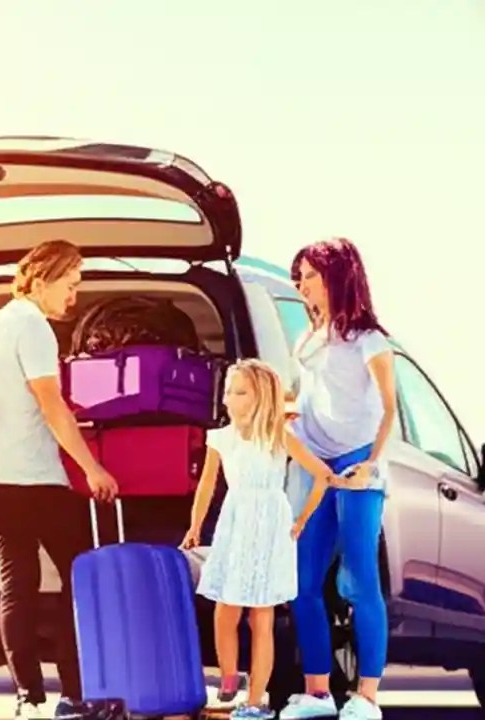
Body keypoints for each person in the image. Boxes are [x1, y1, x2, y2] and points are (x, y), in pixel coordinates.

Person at [0, 239, 119, 720]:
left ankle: (29, 698)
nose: (73, 298)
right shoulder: (34, 328)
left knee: (19, 584)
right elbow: (50, 404)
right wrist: (92, 467)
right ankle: (76, 695)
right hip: (34, 475)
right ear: (44, 279)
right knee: (80, 577)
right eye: (70, 286)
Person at [278, 238, 398, 720]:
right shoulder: (306, 340)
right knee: (304, 582)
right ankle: (317, 693)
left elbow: (390, 408)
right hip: (316, 467)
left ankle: (367, 697)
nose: (301, 284)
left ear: (336, 276)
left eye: (308, 274)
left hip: (356, 466)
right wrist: (287, 415)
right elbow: (302, 394)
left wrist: (371, 463)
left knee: (358, 579)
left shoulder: (370, 340)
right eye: (299, 276)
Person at [181, 359, 341, 720]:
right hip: (235, 524)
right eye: (228, 392)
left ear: (260, 397)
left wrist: (301, 519)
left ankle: (255, 702)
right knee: (225, 608)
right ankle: (228, 680)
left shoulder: (279, 436)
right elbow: (207, 485)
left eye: (239, 392)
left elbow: (322, 475)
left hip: (271, 525)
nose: (229, 399)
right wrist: (195, 526)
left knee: (262, 617)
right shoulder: (220, 438)